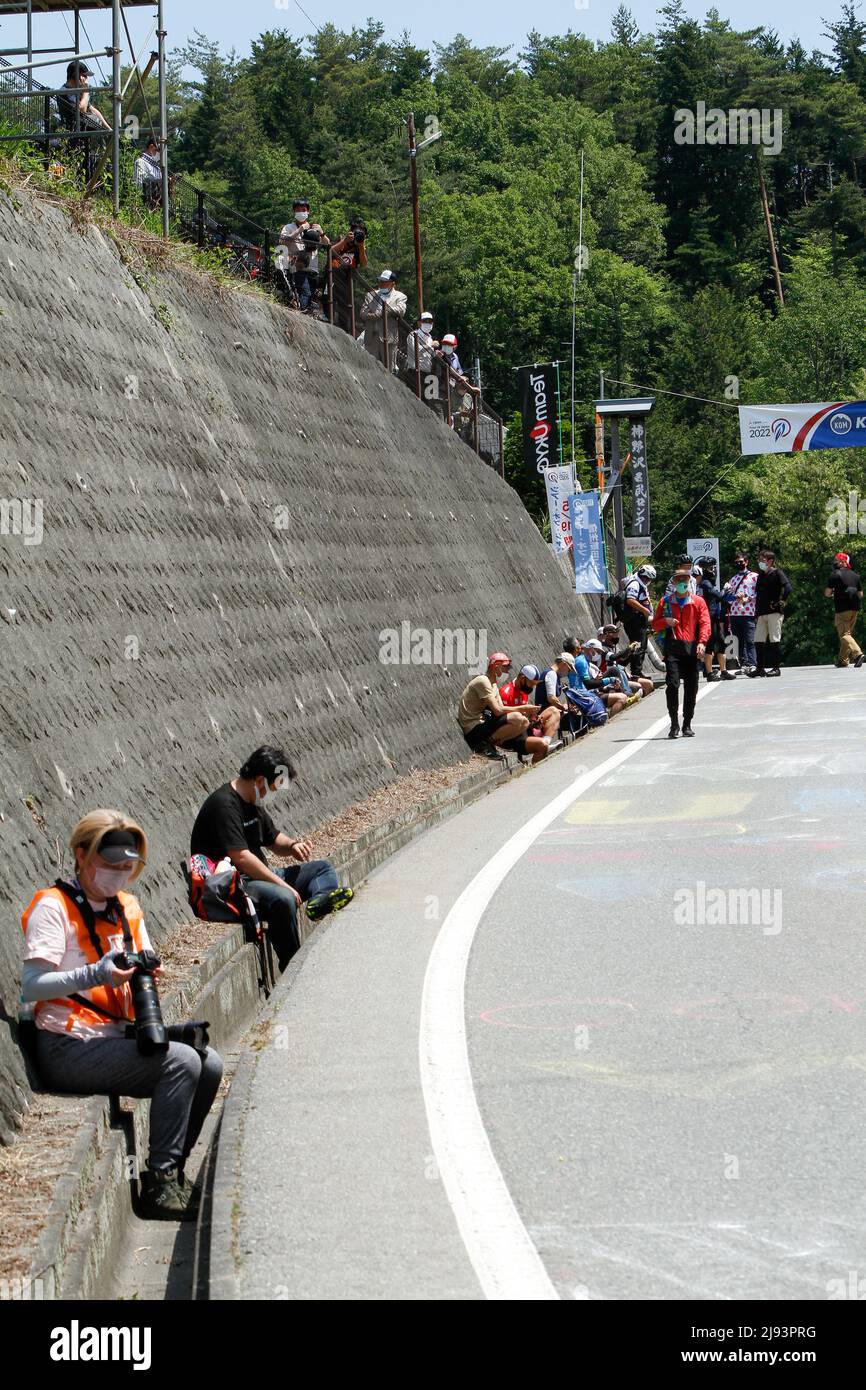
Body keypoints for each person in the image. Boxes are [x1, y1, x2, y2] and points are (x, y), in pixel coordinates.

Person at [21, 810, 223, 1220]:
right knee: (180, 1062)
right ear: (81, 855)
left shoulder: (128, 908)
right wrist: (95, 973)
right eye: (109, 866)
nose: (117, 876)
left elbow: (135, 978)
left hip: (114, 1036)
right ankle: (161, 1183)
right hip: (68, 1044)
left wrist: (143, 974)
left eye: (126, 869)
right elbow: (32, 985)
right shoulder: (53, 906)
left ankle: (171, 1172)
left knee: (210, 1062)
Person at [190, 746, 353, 971]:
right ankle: (292, 966)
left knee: (322, 869)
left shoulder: (252, 804)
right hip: (236, 884)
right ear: (259, 781)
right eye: (271, 788)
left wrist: (293, 846)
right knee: (283, 898)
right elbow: (242, 858)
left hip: (260, 877)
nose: (271, 794)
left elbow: (274, 839)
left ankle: (320, 901)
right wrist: (282, 883)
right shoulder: (224, 805)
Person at [457, 653, 552, 763]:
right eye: (505, 667)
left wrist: (528, 713)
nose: (507, 671)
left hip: (481, 723)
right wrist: (523, 708)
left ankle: (489, 744)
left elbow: (501, 708)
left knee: (524, 722)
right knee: (517, 717)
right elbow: (498, 711)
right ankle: (484, 745)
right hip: (473, 727)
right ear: (496, 667)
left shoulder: (493, 684)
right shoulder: (483, 681)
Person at [652, 562, 711, 737]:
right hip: (673, 648)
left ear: (690, 581)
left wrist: (702, 642)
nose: (681, 582)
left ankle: (687, 723)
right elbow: (655, 625)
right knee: (673, 684)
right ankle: (674, 724)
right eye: (678, 579)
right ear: (674, 582)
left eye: (685, 579)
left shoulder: (698, 602)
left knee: (692, 686)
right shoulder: (666, 602)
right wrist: (666, 622)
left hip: (692, 648)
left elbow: (705, 623)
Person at [56, 60, 111, 182]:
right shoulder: (63, 92)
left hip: (82, 137)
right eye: (84, 76)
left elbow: (92, 109)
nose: (86, 79)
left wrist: (108, 128)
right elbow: (81, 110)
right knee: (77, 166)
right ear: (78, 76)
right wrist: (85, 91)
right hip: (72, 135)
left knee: (86, 165)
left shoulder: (78, 92)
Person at [278, 198, 330, 314]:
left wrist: (322, 233)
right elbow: (282, 242)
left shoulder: (314, 228)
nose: (301, 213)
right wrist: (300, 230)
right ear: (294, 212)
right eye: (297, 210)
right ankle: (300, 315)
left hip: (313, 269)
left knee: (310, 295)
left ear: (308, 212)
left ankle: (302, 312)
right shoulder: (289, 227)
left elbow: (328, 245)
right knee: (305, 293)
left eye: (303, 210)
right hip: (298, 268)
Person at [748, 548, 792, 678]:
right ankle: (760, 668)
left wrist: (782, 601)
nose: (760, 562)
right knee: (758, 640)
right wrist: (756, 613)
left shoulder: (777, 573)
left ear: (771, 561)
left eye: (763, 560)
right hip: (761, 612)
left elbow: (788, 588)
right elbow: (759, 595)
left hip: (774, 612)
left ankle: (776, 668)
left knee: (774, 640)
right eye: (759, 560)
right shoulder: (761, 575)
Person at [500, 663, 562, 742]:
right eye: (531, 683)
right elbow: (503, 717)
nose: (532, 687)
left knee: (553, 710)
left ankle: (546, 742)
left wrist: (533, 718)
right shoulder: (506, 693)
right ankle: (542, 745)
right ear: (522, 679)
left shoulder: (523, 692)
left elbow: (525, 714)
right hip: (514, 730)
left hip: (525, 725)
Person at [696, 556, 735, 681]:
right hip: (708, 617)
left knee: (722, 642)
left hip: (715, 616)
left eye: (713, 567)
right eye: (710, 568)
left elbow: (718, 598)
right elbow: (718, 595)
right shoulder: (705, 583)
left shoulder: (708, 583)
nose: (713, 570)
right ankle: (709, 672)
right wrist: (726, 589)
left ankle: (723, 670)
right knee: (710, 644)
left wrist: (730, 596)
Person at [360, 270, 407, 370]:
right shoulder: (370, 295)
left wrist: (384, 312)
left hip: (389, 337)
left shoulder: (400, 296)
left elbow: (401, 310)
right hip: (371, 336)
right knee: (369, 367)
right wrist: (374, 316)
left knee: (389, 369)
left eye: (384, 282)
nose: (381, 284)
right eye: (380, 281)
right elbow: (363, 314)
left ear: (393, 283)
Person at [825, 551, 865, 668]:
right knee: (847, 635)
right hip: (855, 609)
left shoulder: (835, 575)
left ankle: (858, 654)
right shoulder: (855, 575)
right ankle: (843, 660)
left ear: (842, 562)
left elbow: (827, 593)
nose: (835, 562)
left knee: (844, 635)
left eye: (837, 560)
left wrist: (833, 593)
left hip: (842, 609)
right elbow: (861, 594)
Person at [326, 216, 368, 328]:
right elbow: (330, 251)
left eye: (362, 233)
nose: (358, 235)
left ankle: (344, 329)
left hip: (348, 280)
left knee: (345, 307)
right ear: (351, 231)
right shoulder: (341, 239)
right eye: (356, 232)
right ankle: (328, 322)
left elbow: (364, 264)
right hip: (333, 275)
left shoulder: (361, 247)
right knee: (329, 301)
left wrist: (361, 246)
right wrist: (345, 241)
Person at [723, 552, 758, 672]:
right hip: (735, 614)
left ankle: (753, 663)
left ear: (746, 562)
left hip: (749, 613)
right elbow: (727, 598)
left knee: (750, 639)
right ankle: (744, 663)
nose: (739, 564)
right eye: (737, 562)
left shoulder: (754, 577)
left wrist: (747, 598)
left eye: (741, 561)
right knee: (739, 640)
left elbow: (759, 593)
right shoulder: (733, 579)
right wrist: (735, 597)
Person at [597, 624, 653, 698]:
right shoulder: (602, 647)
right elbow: (613, 657)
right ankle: (628, 693)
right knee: (638, 686)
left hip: (621, 675)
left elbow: (622, 663)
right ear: (607, 634)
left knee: (648, 684)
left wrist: (631, 653)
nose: (617, 636)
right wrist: (628, 649)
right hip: (609, 677)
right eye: (615, 633)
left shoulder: (614, 647)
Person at [621, 563, 656, 677]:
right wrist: (644, 610)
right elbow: (630, 600)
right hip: (635, 620)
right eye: (648, 578)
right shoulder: (635, 584)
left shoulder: (636, 581)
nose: (649, 581)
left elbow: (622, 581)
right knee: (638, 646)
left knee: (641, 646)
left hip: (640, 620)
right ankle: (635, 671)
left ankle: (637, 670)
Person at [406, 310, 438, 378]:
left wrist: (435, 354)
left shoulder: (430, 338)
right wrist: (430, 345)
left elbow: (428, 356)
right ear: (419, 323)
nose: (428, 323)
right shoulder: (413, 335)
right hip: (414, 371)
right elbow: (415, 351)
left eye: (430, 322)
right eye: (425, 321)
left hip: (426, 373)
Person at [134, 137, 163, 210]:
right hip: (146, 205)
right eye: (159, 150)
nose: (160, 154)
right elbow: (138, 183)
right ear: (151, 147)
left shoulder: (157, 167)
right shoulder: (140, 162)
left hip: (157, 204)